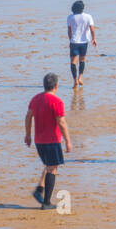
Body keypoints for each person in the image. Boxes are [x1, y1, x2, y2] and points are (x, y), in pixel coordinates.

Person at [25, 73, 71, 209]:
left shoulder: (35, 99)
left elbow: (28, 117)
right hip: (52, 140)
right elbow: (61, 122)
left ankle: (39, 189)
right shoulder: (57, 101)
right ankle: (46, 203)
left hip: (39, 141)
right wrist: (68, 140)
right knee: (52, 169)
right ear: (56, 86)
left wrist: (27, 135)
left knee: (49, 165)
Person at [67, 0, 97, 85]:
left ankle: (75, 80)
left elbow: (69, 31)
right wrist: (94, 39)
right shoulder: (88, 16)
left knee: (73, 62)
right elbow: (92, 29)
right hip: (84, 42)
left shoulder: (70, 17)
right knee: (82, 60)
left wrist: (70, 40)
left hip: (74, 42)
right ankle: (80, 77)